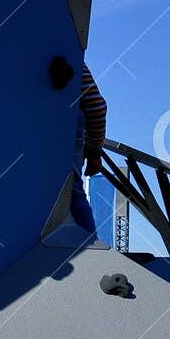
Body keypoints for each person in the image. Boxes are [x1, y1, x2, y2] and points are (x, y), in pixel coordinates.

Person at [69, 62, 107, 232]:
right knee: (71, 192)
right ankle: (87, 249)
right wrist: (94, 153)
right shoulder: (65, 50)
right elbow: (96, 107)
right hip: (66, 148)